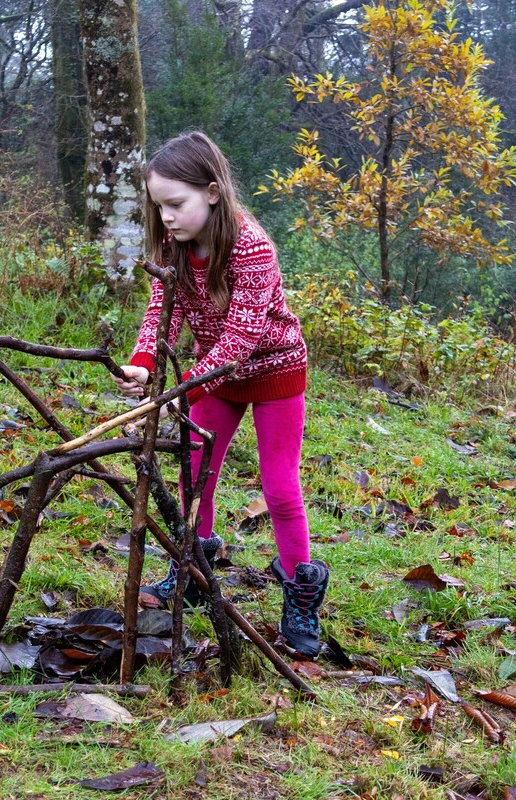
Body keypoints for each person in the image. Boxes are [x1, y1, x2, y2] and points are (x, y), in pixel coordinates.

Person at [113, 130, 330, 658]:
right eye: (158, 206)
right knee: (194, 472)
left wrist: (181, 390)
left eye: (175, 204)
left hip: (274, 371)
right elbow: (162, 314)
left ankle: (300, 591)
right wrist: (144, 365)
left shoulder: (251, 247)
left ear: (212, 192)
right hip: (217, 376)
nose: (165, 217)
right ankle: (192, 564)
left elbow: (241, 339)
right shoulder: (174, 247)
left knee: (279, 488)